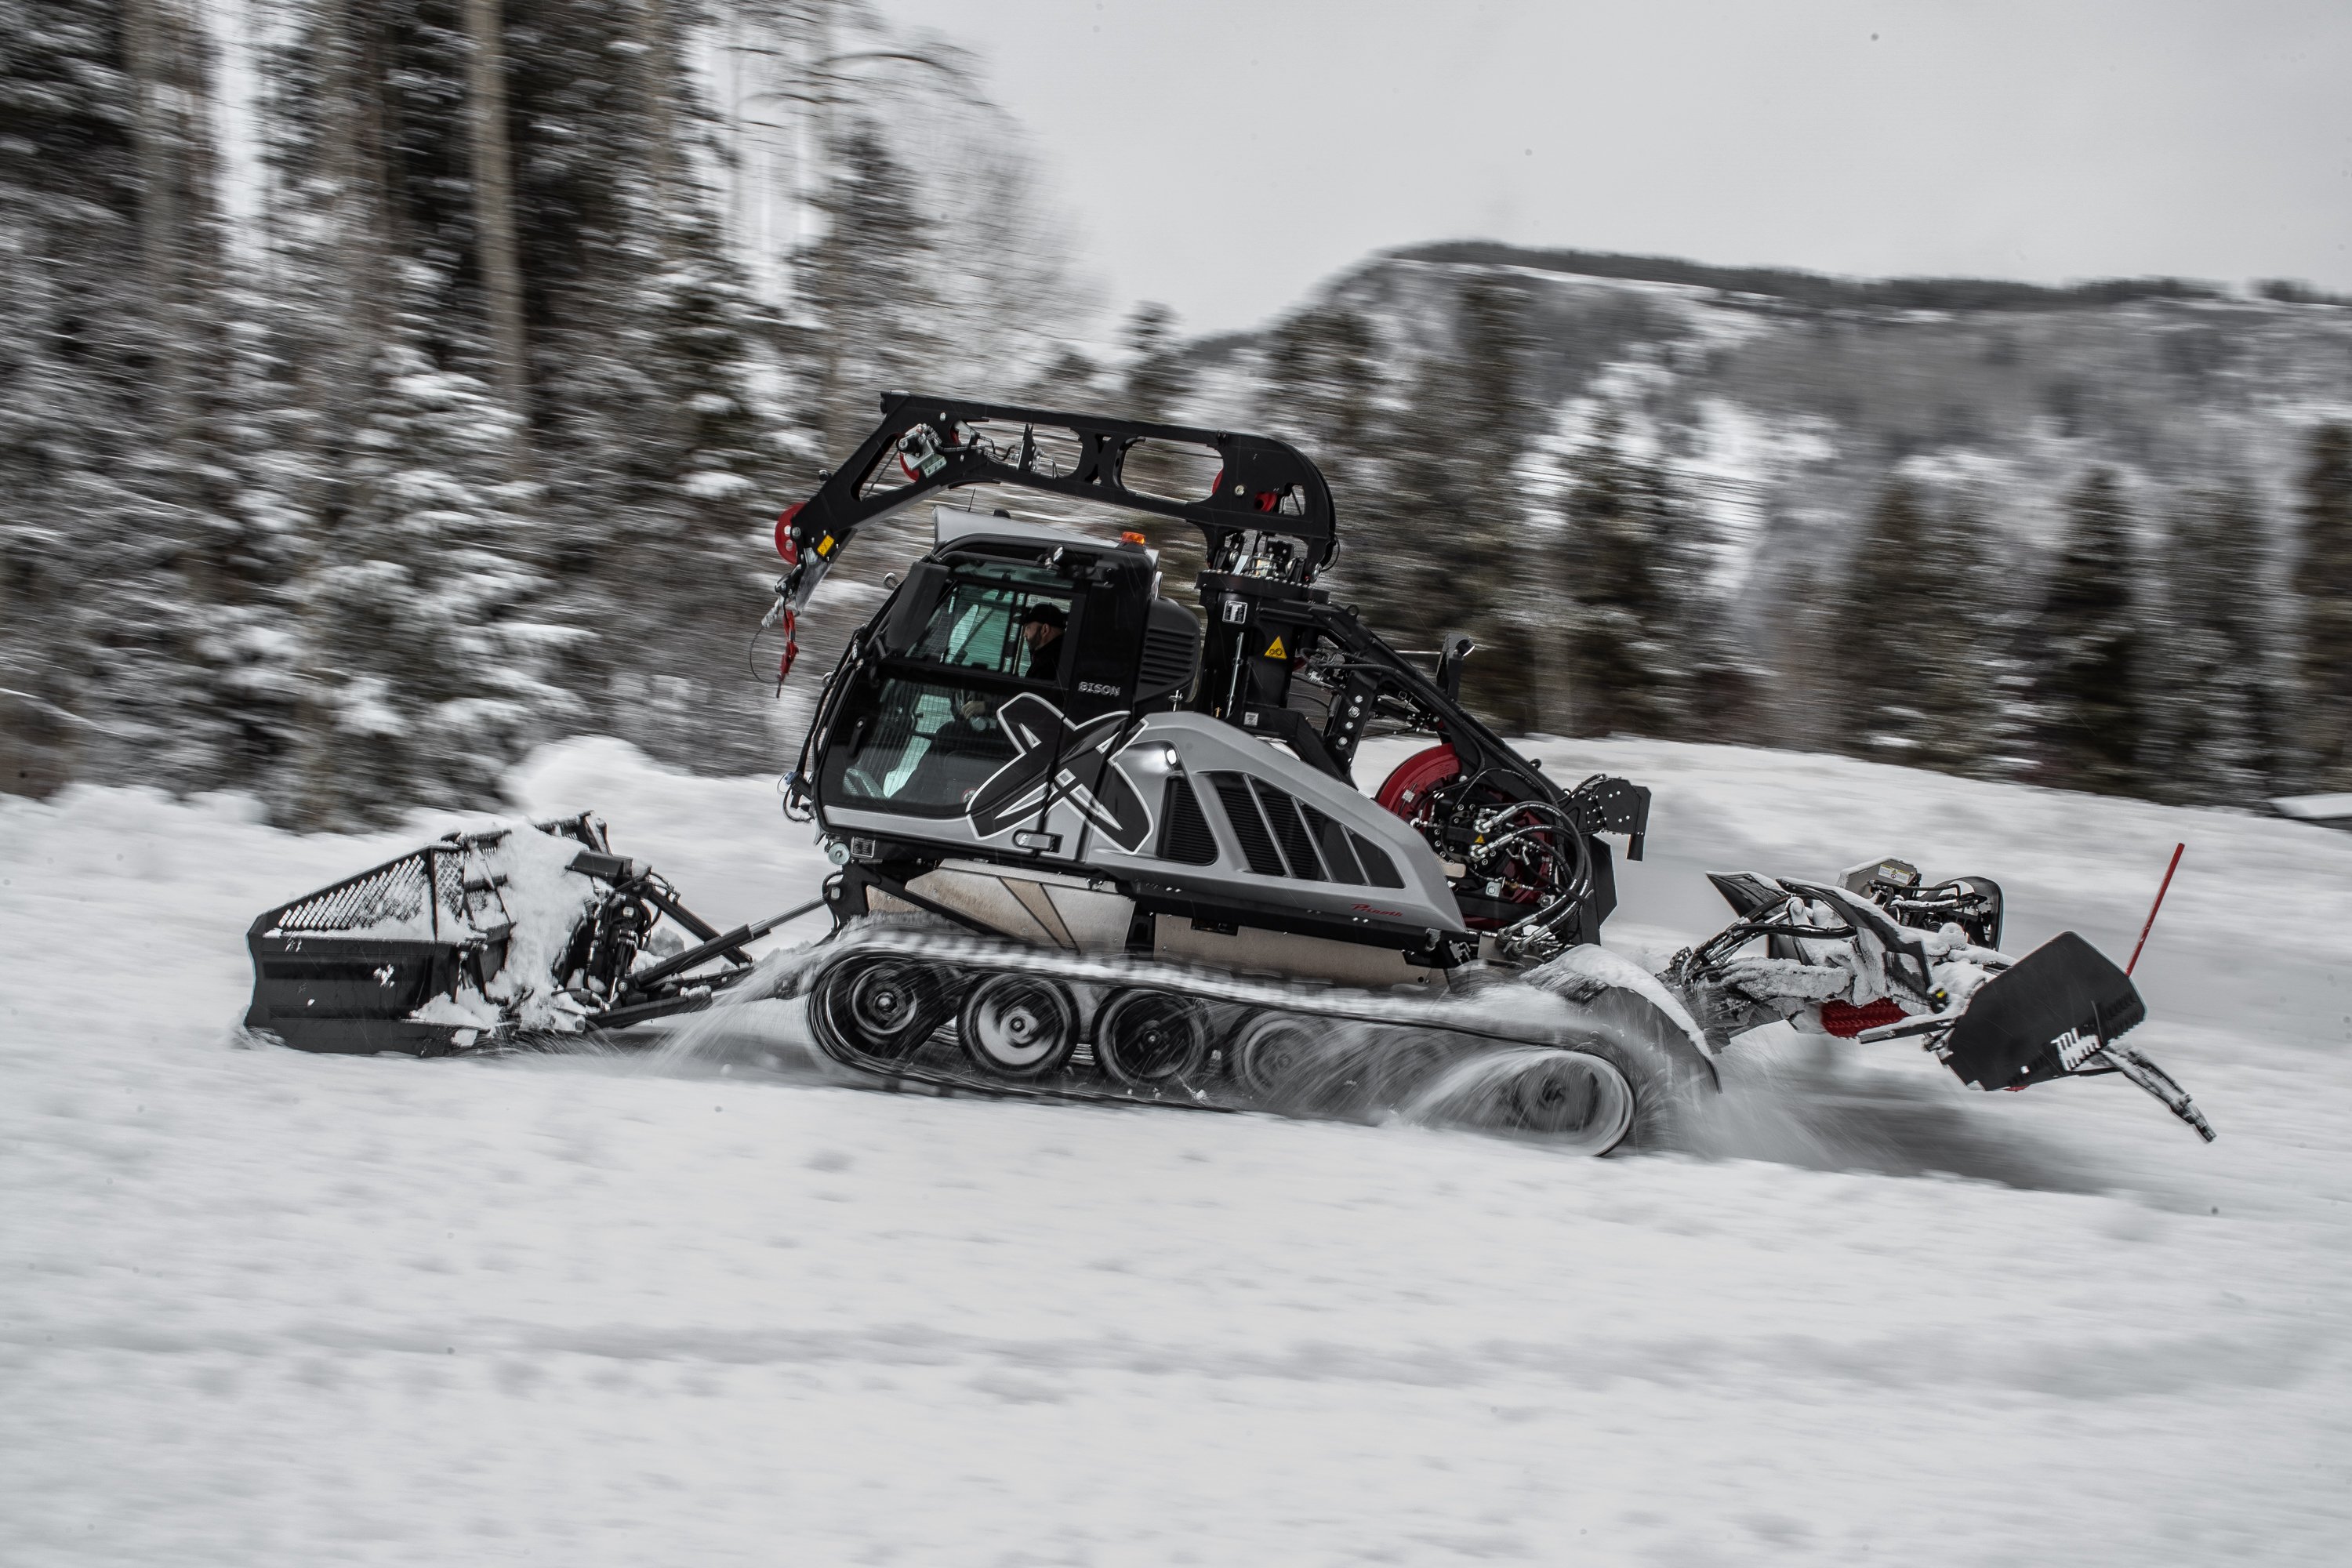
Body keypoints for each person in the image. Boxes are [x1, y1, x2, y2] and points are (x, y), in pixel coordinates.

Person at [1019, 602, 1065, 681]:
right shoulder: (1060, 654)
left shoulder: (1050, 664)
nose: (1024, 634)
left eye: (1028, 628)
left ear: (1045, 630)